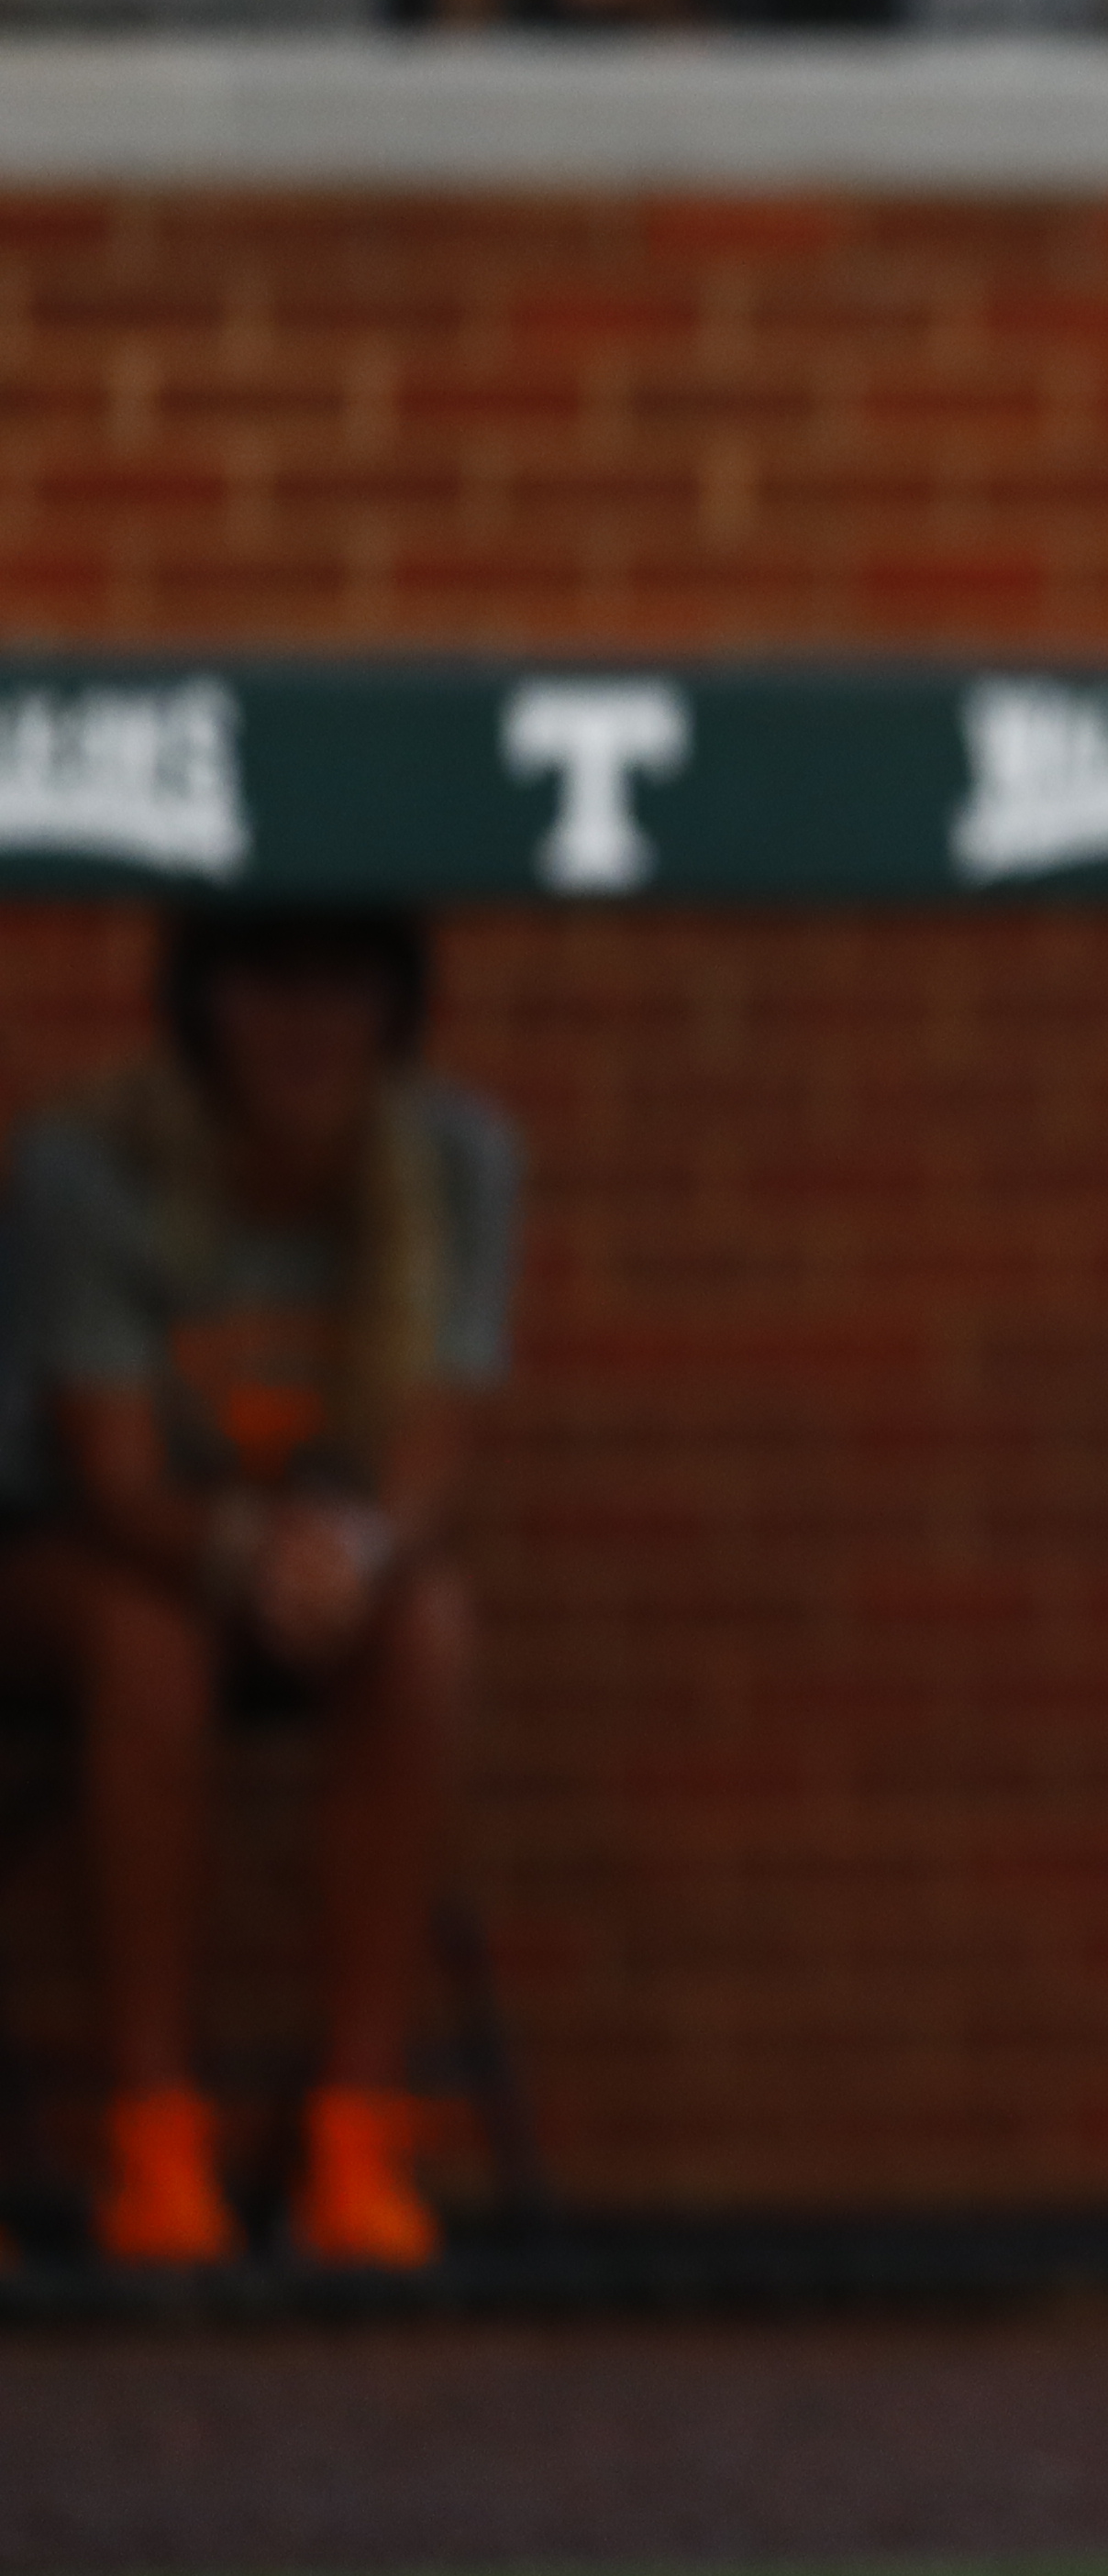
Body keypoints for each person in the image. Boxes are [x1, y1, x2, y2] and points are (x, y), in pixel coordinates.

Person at [0, 906, 520, 2268]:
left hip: (323, 1561)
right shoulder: (91, 1161)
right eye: (265, 981)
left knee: (430, 1628)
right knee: (148, 1642)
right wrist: (246, 1557)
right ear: (199, 1002)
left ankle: (356, 2132)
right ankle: (153, 2135)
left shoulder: (456, 1158)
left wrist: (348, 1555)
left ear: (396, 1009)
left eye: (343, 982)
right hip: (86, 1559)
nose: (305, 1022)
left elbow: (437, 1435)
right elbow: (104, 1469)